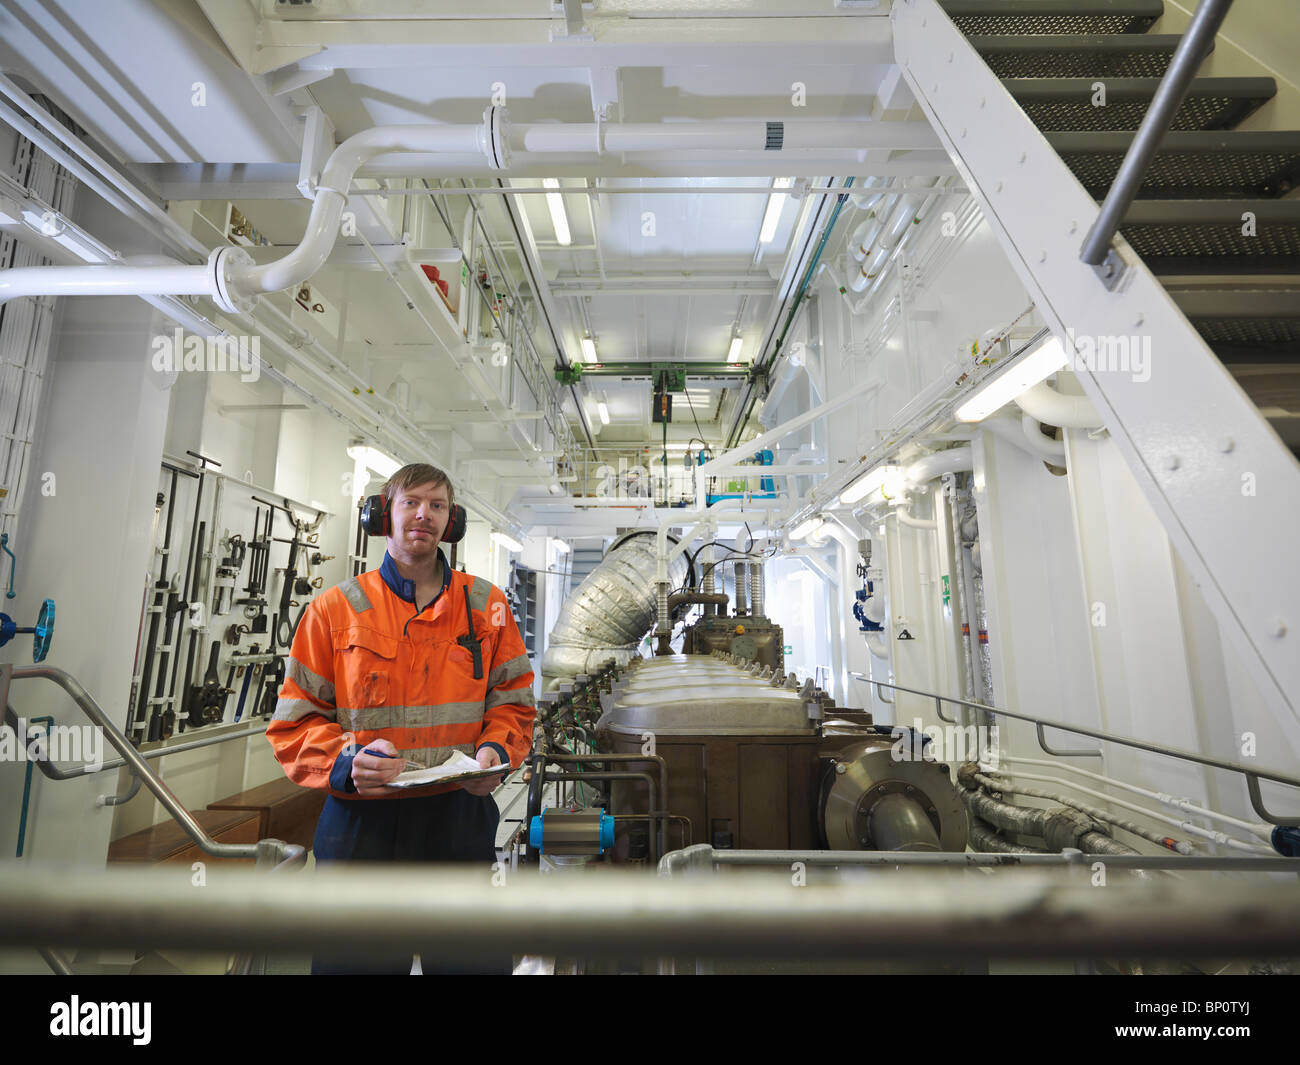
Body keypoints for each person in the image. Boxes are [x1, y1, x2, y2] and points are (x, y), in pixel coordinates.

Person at [268, 462, 535, 974]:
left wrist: (496, 753)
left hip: (457, 819)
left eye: (437, 505)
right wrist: (346, 763)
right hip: (360, 827)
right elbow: (295, 721)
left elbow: (514, 702)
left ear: (451, 522)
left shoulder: (487, 606)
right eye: (410, 502)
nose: (424, 515)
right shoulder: (334, 609)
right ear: (381, 516)